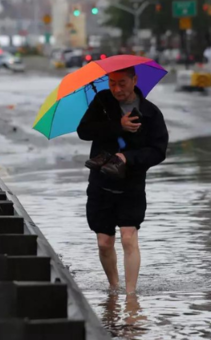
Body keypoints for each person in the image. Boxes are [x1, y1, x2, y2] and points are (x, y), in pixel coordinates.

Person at [77, 66, 168, 296]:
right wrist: (118, 125)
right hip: (101, 183)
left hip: (132, 186)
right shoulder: (102, 101)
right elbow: (83, 131)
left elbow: (158, 151)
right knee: (104, 243)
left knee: (129, 238)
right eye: (112, 83)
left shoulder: (151, 113)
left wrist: (128, 158)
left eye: (122, 83)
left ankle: (130, 296)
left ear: (134, 80)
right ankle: (113, 287)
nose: (116, 88)